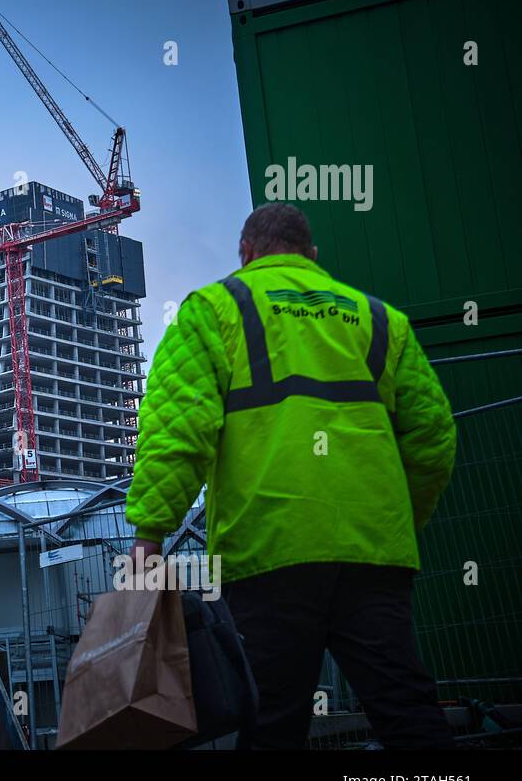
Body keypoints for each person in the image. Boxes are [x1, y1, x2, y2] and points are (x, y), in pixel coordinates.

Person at [124, 203, 457, 748]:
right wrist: (398, 521)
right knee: (406, 709)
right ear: (313, 256)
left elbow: (177, 430)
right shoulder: (380, 319)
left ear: (247, 253)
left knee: (273, 721)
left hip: (267, 549)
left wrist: (150, 533)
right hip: (373, 551)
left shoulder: (215, 310)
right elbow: (434, 439)